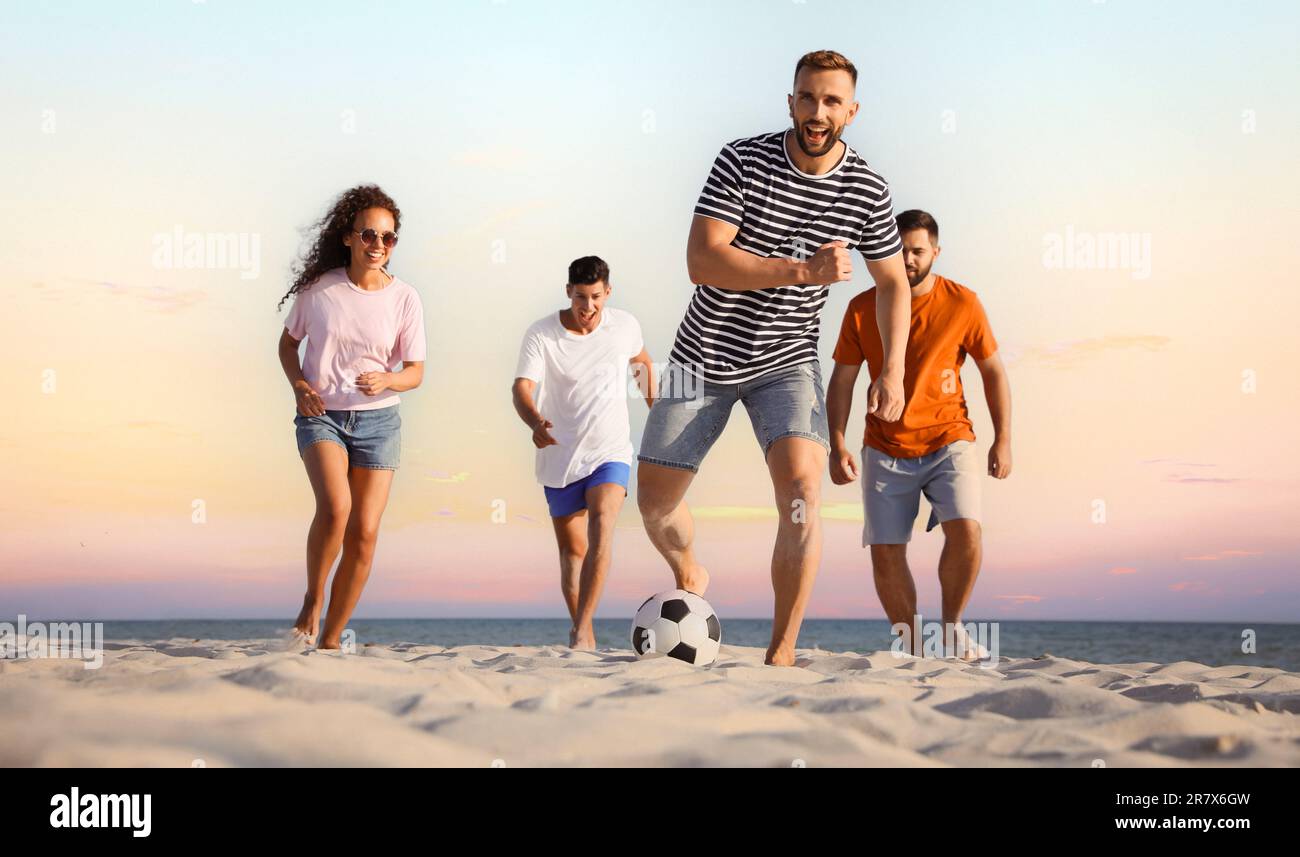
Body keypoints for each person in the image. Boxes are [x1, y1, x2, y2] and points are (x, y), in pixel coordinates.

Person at [635, 50, 912, 666]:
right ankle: (687, 567)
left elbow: (894, 283)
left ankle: (781, 651)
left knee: (802, 491)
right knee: (652, 500)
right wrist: (803, 270)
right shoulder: (740, 160)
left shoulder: (866, 188)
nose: (818, 113)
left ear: (852, 111)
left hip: (787, 362)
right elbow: (702, 261)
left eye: (832, 101)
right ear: (791, 102)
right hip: (700, 354)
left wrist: (891, 368)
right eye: (807, 98)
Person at [827, 209, 1012, 660]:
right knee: (886, 550)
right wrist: (836, 444)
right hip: (885, 447)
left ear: (936, 252)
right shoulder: (861, 308)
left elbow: (992, 372)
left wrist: (1002, 437)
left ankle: (951, 629)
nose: (908, 259)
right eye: (900, 250)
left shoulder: (963, 302)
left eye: (917, 251)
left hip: (950, 439)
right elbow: (842, 381)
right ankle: (911, 644)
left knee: (967, 532)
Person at [276, 185, 426, 651]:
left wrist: (388, 381)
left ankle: (331, 639)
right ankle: (313, 597)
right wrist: (301, 385)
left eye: (388, 238)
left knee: (364, 531)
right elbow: (287, 345)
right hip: (323, 417)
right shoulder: (319, 290)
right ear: (348, 237)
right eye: (369, 235)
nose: (378, 245)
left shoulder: (405, 299)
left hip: (379, 423)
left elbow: (415, 372)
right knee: (337, 509)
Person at [512, 256, 655, 650]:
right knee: (572, 552)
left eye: (595, 297)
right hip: (559, 457)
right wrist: (535, 422)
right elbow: (521, 388)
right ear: (568, 292)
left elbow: (641, 362)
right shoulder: (542, 334)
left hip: (610, 451)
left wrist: (656, 412)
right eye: (580, 297)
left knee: (603, 524)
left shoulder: (624, 325)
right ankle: (582, 628)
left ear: (608, 292)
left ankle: (582, 629)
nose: (588, 307)